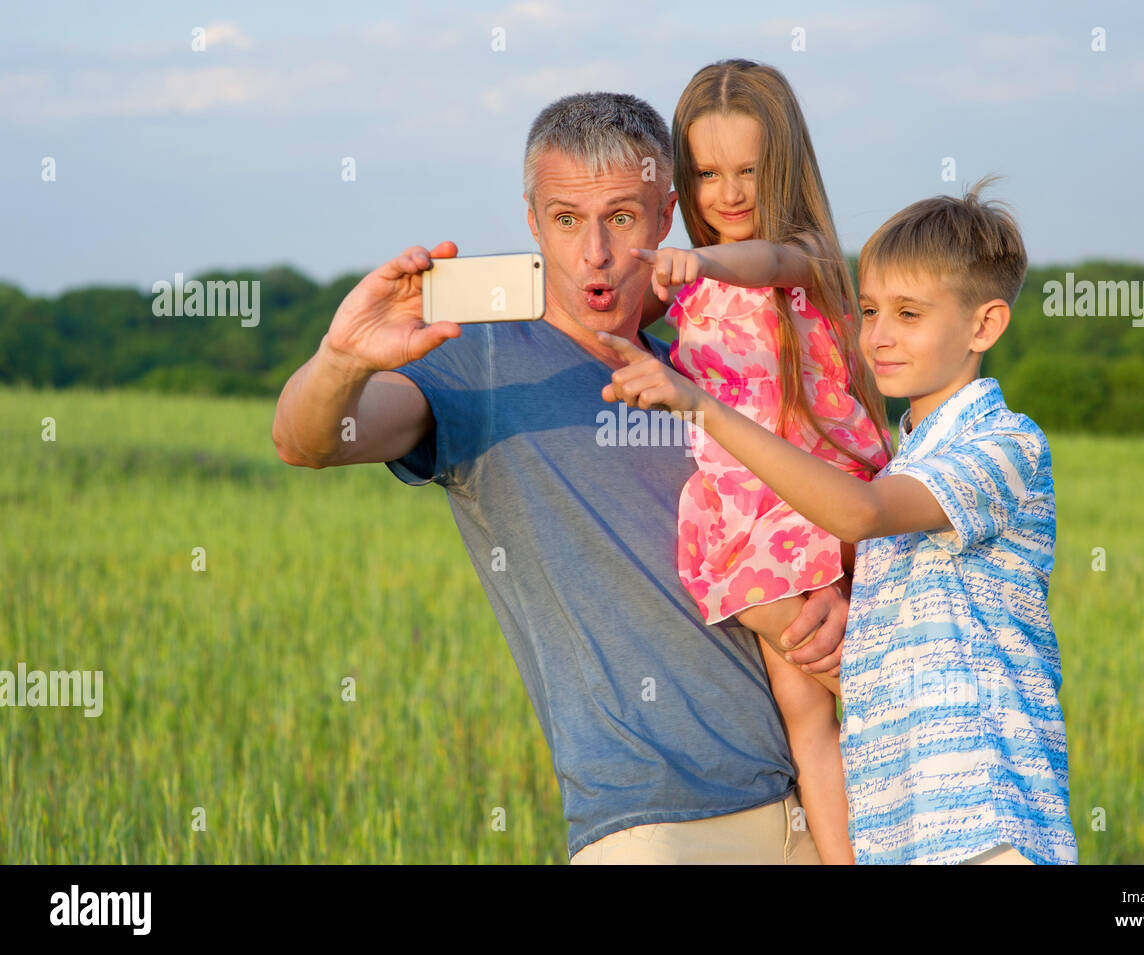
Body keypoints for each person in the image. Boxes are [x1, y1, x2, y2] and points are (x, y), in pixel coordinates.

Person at [271, 91, 853, 864]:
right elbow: (307, 440)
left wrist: (840, 596)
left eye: (621, 217)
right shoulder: (476, 359)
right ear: (532, 220)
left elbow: (835, 503)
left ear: (667, 214)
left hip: (814, 812)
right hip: (651, 831)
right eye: (566, 220)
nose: (594, 255)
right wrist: (343, 357)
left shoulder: (711, 363)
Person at [597, 175, 1080, 865]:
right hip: (903, 832)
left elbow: (858, 512)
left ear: (985, 324)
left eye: (910, 315)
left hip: (989, 825)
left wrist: (697, 405)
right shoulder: (900, 462)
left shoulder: (1003, 445)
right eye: (871, 311)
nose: (879, 336)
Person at [631, 59, 892, 864]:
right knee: (801, 705)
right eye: (707, 174)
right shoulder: (676, 280)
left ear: (782, 168)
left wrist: (699, 262)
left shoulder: (802, 256)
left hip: (812, 498)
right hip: (741, 513)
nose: (729, 192)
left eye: (749, 171)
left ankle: (955, 791)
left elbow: (764, 263)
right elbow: (592, 300)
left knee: (870, 687)